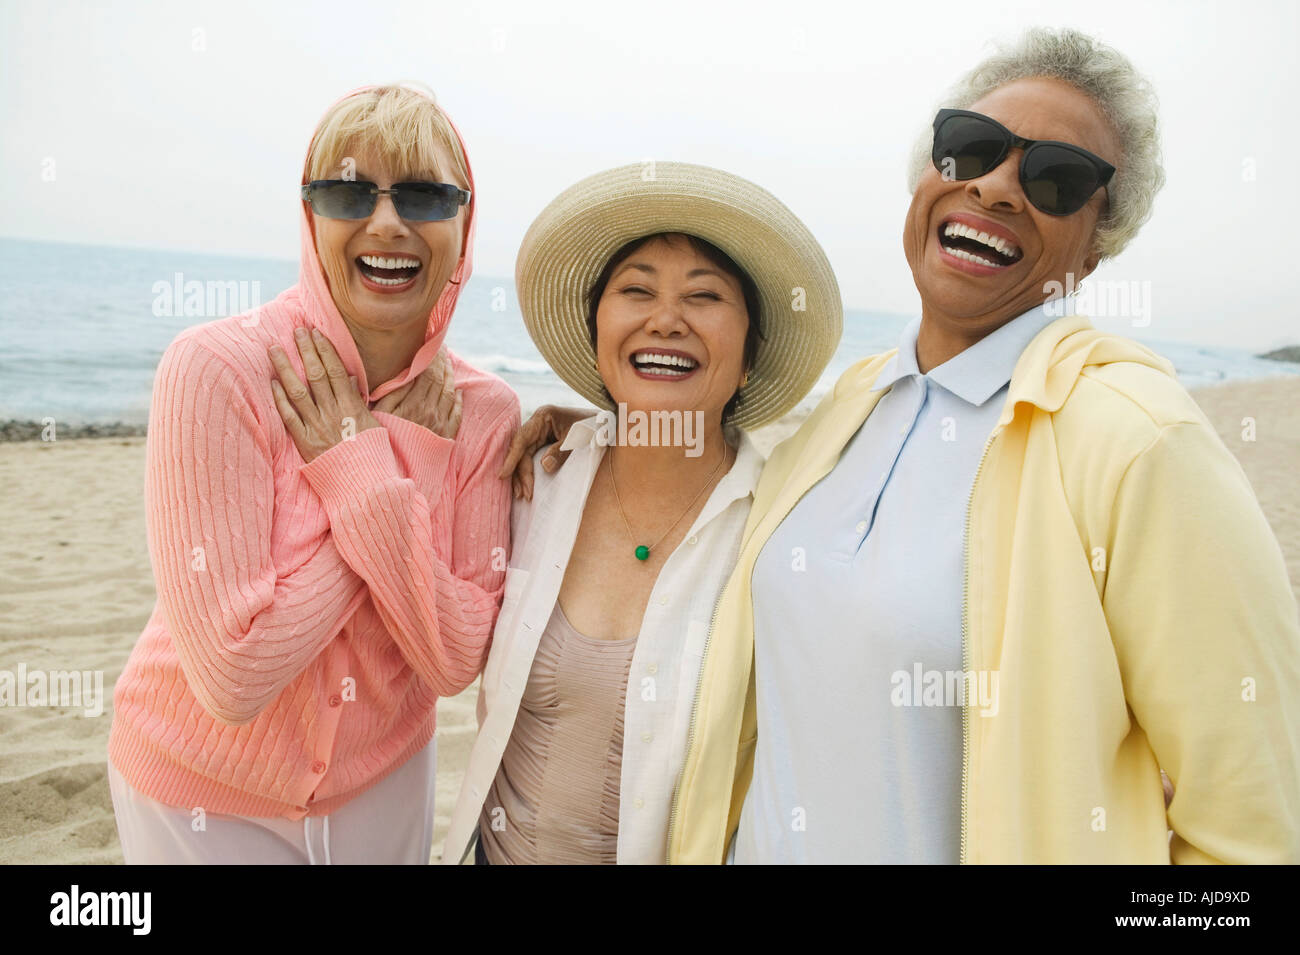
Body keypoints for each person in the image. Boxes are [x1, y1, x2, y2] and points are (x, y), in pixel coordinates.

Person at [515, 29, 1300, 864]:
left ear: (1100, 242)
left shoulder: (1141, 443)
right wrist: (612, 424)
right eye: (972, 148)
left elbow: (1255, 832)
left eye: (1057, 177)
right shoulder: (850, 411)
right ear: (929, 174)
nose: (998, 187)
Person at [107, 83, 519, 864]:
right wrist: (391, 464)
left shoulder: (486, 411)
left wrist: (367, 474)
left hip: (384, 778)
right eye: (348, 191)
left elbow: (454, 658)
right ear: (310, 215)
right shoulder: (216, 370)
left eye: (427, 195)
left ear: (464, 224)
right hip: (197, 791)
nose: (388, 221)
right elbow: (234, 673)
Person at [440, 162, 841, 864]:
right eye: (636, 291)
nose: (665, 319)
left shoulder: (780, 529)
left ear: (749, 357)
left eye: (705, 296)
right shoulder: (535, 477)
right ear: (599, 332)